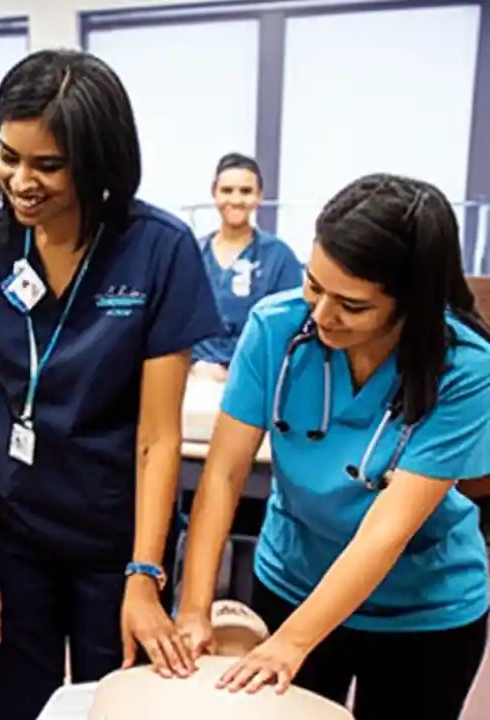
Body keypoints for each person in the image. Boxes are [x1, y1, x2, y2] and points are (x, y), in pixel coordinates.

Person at [0, 49, 224, 720]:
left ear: (98, 163)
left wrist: (145, 576)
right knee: (19, 709)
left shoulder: (159, 249)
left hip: (116, 541)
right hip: (16, 536)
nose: (20, 181)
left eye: (48, 165)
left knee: (113, 706)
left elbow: (158, 436)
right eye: (8, 156)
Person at [175, 173, 490, 720]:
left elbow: (387, 530)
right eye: (313, 285)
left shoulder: (463, 368)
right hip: (290, 580)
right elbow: (224, 475)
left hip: (422, 613)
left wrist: (292, 644)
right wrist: (195, 607)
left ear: (411, 302)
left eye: (352, 304)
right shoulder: (276, 328)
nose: (321, 316)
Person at [192, 153, 302, 380]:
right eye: (227, 190)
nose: (235, 199)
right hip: (197, 376)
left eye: (245, 191)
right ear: (214, 193)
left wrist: (241, 368)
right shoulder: (193, 253)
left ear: (259, 196)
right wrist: (196, 365)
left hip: (255, 377)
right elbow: (175, 321)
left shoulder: (278, 256)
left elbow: (290, 325)